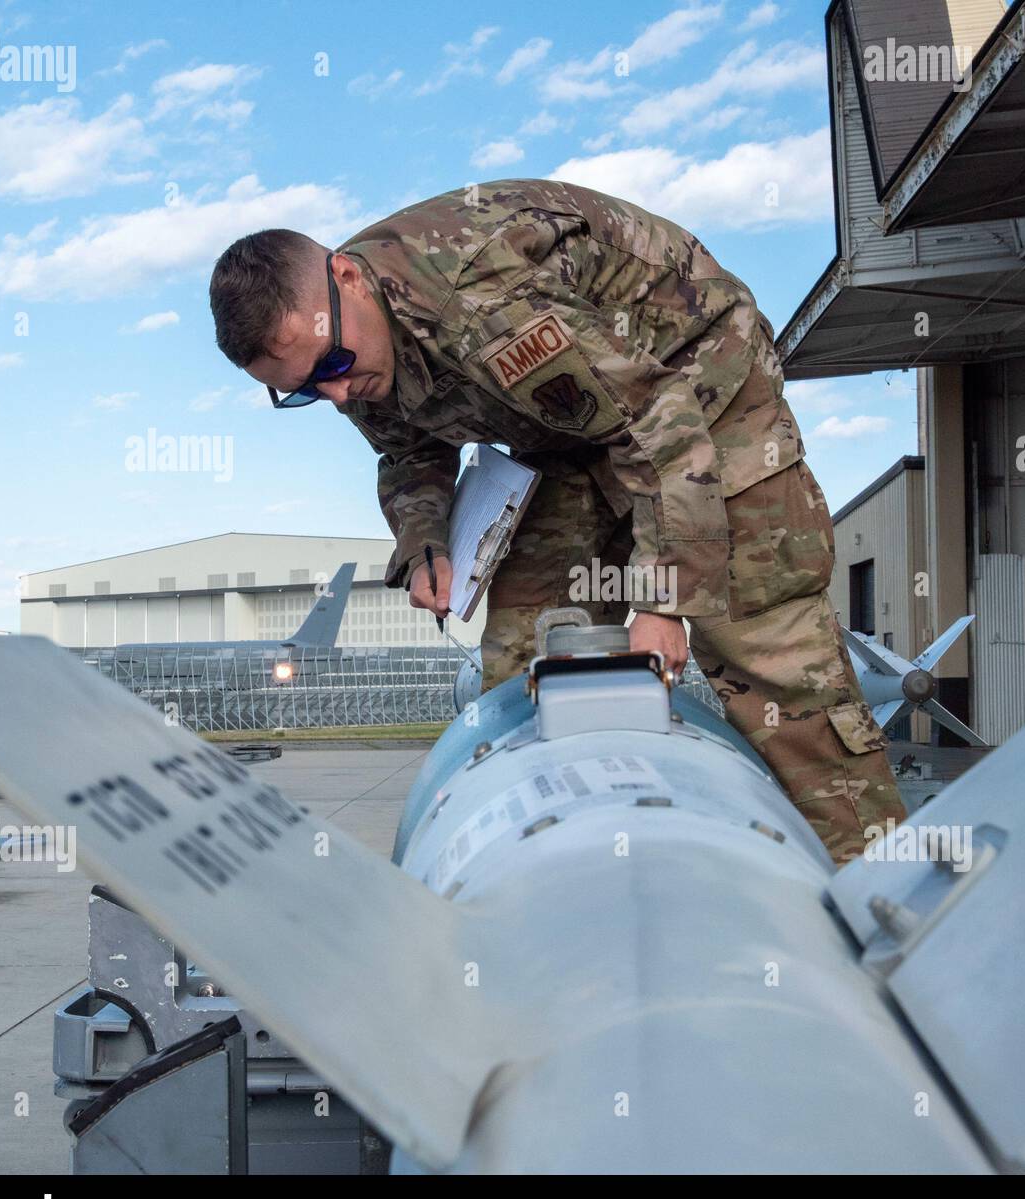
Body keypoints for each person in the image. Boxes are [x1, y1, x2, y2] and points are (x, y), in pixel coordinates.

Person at [207, 179, 906, 864]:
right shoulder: (350, 351)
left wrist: (663, 602)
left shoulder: (479, 297)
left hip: (700, 393)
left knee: (770, 664)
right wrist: (423, 544)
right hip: (567, 426)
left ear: (348, 277)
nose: (334, 395)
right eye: (302, 392)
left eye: (332, 365)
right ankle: (568, 866)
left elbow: (656, 424)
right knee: (530, 659)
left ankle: (882, 899)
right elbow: (407, 452)